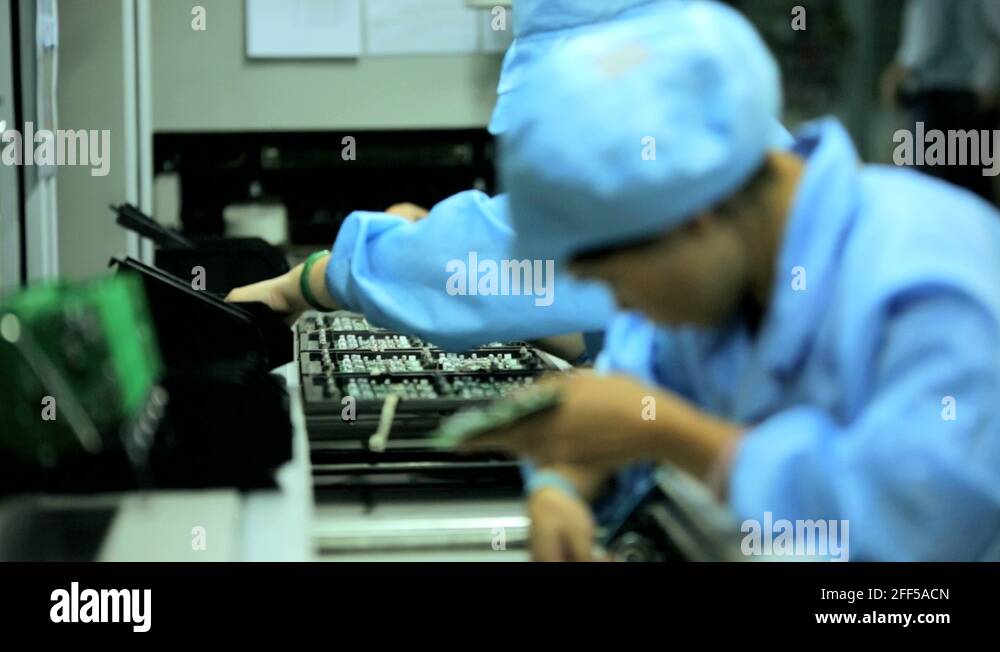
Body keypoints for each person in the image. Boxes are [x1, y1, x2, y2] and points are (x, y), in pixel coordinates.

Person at [465, 0, 1000, 561]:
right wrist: (564, 485)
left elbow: (918, 537)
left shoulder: (928, 283)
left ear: (691, 218)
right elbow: (630, 389)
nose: (620, 306)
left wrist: (677, 436)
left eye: (617, 281)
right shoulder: (719, 282)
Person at [881, 0, 1000, 203]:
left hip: (937, 96)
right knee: (971, 186)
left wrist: (898, 70)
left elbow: (928, 34)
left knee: (926, 188)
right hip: (973, 96)